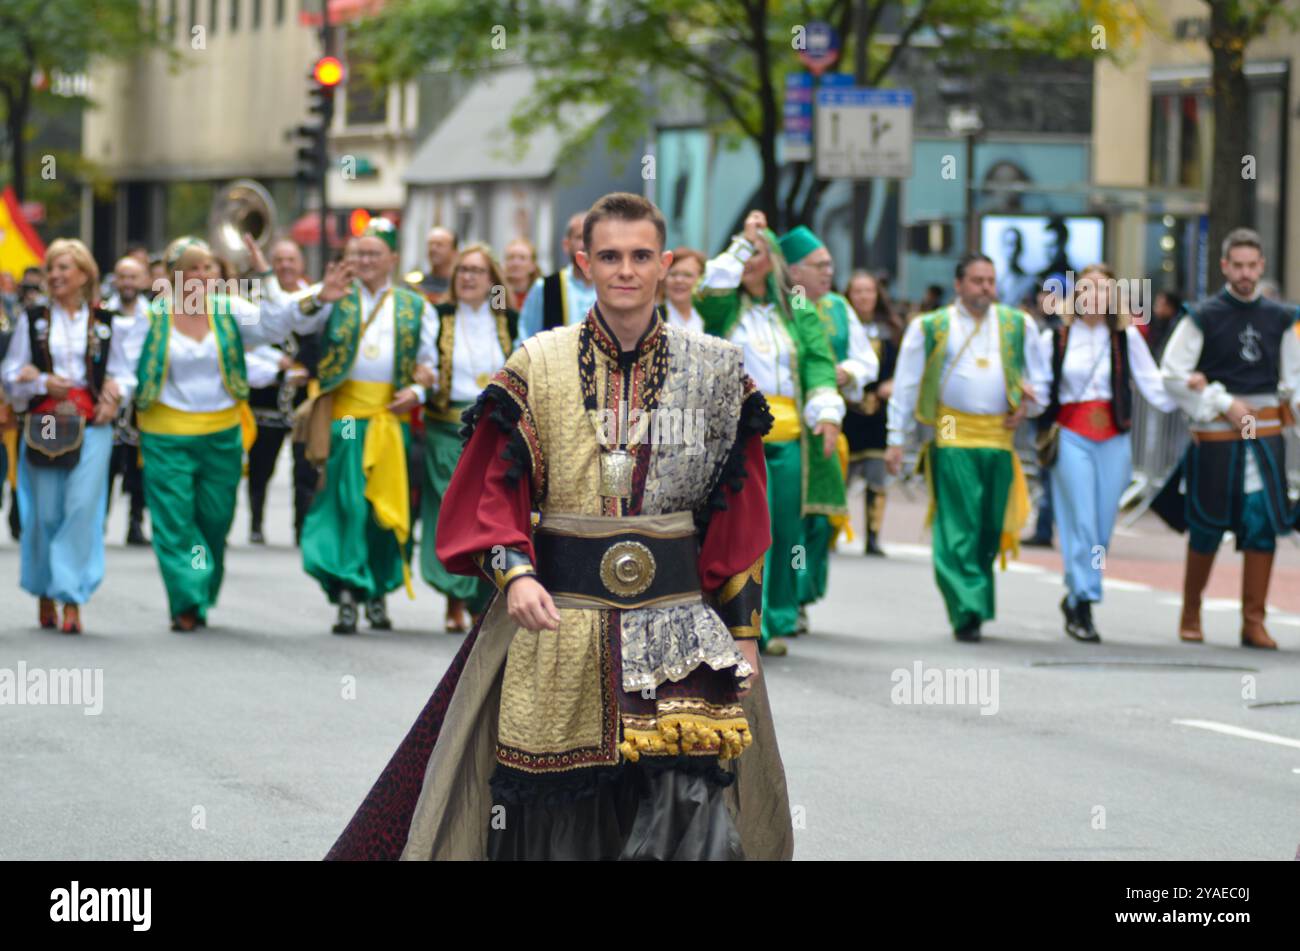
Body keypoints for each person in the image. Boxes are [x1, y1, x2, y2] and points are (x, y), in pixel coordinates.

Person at [326, 191, 792, 862]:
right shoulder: (535, 364)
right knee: (555, 818)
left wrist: (743, 632)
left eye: (639, 256)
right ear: (582, 264)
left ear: (664, 264)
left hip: (681, 626)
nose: (624, 270)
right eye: (609, 256)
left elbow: (740, 510)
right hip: (559, 621)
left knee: (689, 806)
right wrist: (513, 573)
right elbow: (491, 490)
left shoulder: (719, 371)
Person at [695, 210, 846, 656]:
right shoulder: (723, 303)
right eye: (743, 252)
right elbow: (713, 282)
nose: (747, 260)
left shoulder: (795, 306)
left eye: (758, 253)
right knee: (742, 531)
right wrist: (744, 239)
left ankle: (777, 617)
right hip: (739, 435)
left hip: (791, 434)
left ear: (775, 260)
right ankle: (739, 617)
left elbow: (818, 357)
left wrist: (827, 410)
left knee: (784, 529)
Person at [885, 253, 1050, 642]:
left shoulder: (1018, 324)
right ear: (959, 285)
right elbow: (906, 386)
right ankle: (967, 607)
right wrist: (896, 439)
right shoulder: (930, 326)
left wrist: (1029, 404)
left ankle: (974, 600)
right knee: (959, 526)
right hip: (952, 432)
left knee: (989, 529)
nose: (985, 288)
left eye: (990, 280)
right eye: (977, 280)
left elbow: (1040, 383)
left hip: (998, 438)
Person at [133, 235, 294, 631]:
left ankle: (201, 585)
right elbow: (124, 366)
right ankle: (186, 599)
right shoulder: (151, 316)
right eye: (192, 268)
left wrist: (265, 273)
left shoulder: (230, 310)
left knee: (215, 518)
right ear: (173, 277)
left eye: (207, 267)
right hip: (165, 433)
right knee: (174, 520)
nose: (202, 276)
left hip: (222, 432)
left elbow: (277, 325)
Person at [288, 219, 438, 635]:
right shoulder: (333, 298)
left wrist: (418, 391)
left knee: (382, 510)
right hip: (346, 421)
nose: (366, 261)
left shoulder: (415, 307)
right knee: (347, 503)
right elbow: (293, 323)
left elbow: (430, 369)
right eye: (358, 253)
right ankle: (348, 593)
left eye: (374, 253)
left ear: (392, 258)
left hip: (390, 420)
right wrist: (321, 298)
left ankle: (377, 590)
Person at [1156, 228, 1300, 650]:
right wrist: (1221, 402)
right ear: (1224, 267)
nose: (1244, 273)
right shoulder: (1202, 316)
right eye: (1236, 265)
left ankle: (1252, 622)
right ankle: (1191, 612)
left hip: (1265, 436)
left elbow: (1294, 380)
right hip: (1217, 437)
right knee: (1206, 524)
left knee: (1261, 524)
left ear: (1262, 267)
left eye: (1251, 265)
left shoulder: (1282, 318)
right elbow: (1171, 374)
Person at [1, 239, 137, 634]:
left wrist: (116, 392)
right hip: (46, 420)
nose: (56, 275)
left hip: (91, 421)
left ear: (84, 274)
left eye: (64, 268)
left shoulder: (107, 321)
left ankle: (72, 595)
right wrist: (42, 379)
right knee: (45, 512)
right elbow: (11, 374)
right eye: (52, 268)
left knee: (82, 508)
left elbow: (127, 372)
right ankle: (46, 587)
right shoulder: (34, 319)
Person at [1039, 264, 1176, 642]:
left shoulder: (1125, 338)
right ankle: (1083, 598)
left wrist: (1195, 404)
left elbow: (1154, 386)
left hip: (1114, 437)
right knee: (1080, 518)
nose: (1094, 297)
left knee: (1101, 524)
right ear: (1075, 295)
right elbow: (1038, 386)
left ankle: (1080, 590)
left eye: (1102, 290)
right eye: (1087, 289)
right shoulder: (1056, 338)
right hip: (1071, 435)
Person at [416, 243, 516, 633]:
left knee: (487, 510)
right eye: (463, 271)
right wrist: (421, 376)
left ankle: (480, 598)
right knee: (450, 504)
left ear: (493, 280)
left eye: (478, 271)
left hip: (493, 427)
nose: (469, 278)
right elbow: (422, 361)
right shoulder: (438, 317)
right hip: (447, 425)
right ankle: (453, 595)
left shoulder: (508, 319)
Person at [780, 226, 877, 625]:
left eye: (830, 265)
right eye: (819, 266)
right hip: (785, 429)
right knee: (787, 516)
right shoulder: (781, 307)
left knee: (820, 516)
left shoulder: (838, 307)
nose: (828, 273)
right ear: (793, 270)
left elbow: (867, 360)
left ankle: (803, 594)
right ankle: (784, 599)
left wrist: (847, 372)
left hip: (824, 427)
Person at [245, 239, 317, 544]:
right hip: (267, 393)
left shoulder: (315, 296)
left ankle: (301, 527)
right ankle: (256, 522)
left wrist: (307, 369)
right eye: (279, 259)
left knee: (306, 463)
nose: (285, 265)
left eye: (291, 259)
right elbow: (247, 342)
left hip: (305, 395)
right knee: (261, 462)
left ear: (301, 264)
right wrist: (277, 366)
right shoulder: (253, 298)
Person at [844, 269, 904, 556]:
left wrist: (893, 383)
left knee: (876, 476)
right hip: (845, 411)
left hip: (879, 413)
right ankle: (830, 531)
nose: (864, 297)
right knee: (840, 474)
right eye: (858, 291)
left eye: (869, 291)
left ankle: (872, 536)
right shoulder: (839, 324)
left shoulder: (891, 329)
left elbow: (903, 368)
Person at [103, 255, 152, 546]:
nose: (128, 283)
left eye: (133, 277)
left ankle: (136, 523)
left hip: (142, 399)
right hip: (109, 396)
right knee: (106, 464)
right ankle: (99, 523)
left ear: (145, 280)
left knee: (139, 465)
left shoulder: (156, 315)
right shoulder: (101, 312)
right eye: (122, 276)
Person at [516, 212, 597, 340]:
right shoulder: (545, 287)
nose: (586, 243)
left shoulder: (613, 286)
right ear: (566, 245)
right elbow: (525, 338)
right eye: (580, 237)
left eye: (592, 237)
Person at [661, 246, 706, 333]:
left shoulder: (706, 320)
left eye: (687, 275)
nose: (679, 280)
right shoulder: (652, 318)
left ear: (701, 280)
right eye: (673, 274)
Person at [412, 226, 457, 306]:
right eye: (430, 244)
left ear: (454, 252)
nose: (433, 249)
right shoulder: (415, 284)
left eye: (439, 245)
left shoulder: (460, 285)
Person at [502, 237, 540, 312]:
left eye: (522, 258)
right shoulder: (497, 292)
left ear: (533, 265)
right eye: (511, 257)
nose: (515, 263)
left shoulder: (541, 294)